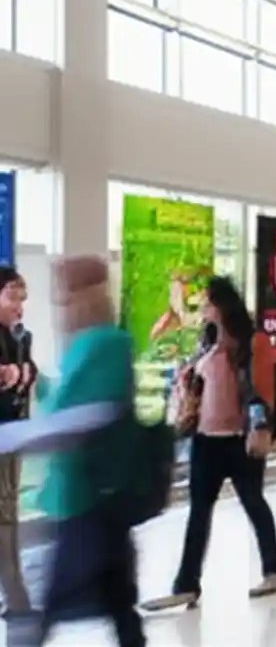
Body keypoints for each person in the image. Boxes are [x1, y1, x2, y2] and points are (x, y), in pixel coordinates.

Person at [0, 258, 146, 646]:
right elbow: (66, 403)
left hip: (90, 501)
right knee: (119, 604)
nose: (58, 308)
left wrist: (14, 437)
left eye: (64, 298)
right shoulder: (86, 346)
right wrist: (34, 382)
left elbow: (87, 417)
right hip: (87, 500)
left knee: (48, 609)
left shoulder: (107, 344)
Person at [142, 277, 276, 611]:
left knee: (253, 502)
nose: (202, 308)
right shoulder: (205, 341)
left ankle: (273, 569)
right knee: (198, 513)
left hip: (240, 440)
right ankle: (186, 584)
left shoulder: (254, 342)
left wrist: (260, 427)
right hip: (206, 441)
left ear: (222, 305)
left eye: (206, 302)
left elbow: (261, 389)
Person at [0, 267, 32, 619]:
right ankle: (15, 595)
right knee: (5, 514)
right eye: (11, 296)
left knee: (7, 510)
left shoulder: (19, 337)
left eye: (22, 299)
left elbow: (25, 372)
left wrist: (18, 374)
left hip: (13, 431)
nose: (18, 306)